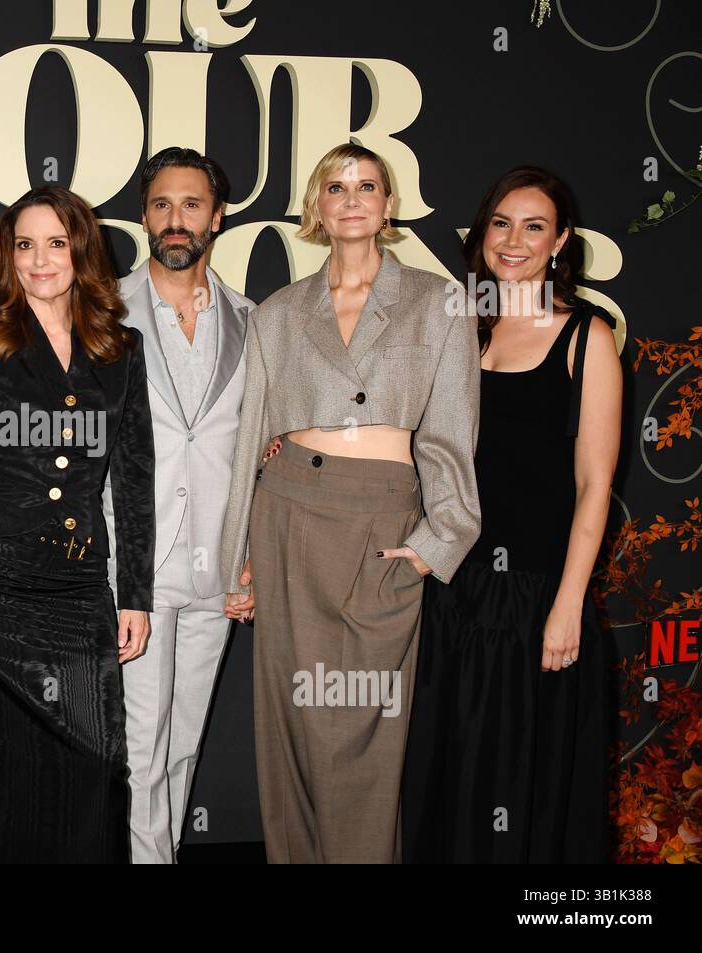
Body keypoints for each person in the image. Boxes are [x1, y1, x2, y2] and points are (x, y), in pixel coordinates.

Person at [220, 142, 481, 863]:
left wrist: (436, 543)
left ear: (389, 205)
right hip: (287, 512)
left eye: (368, 184)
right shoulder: (276, 312)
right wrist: (238, 557)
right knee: (291, 727)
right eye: (337, 185)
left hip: (381, 522)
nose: (354, 196)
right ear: (318, 208)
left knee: (362, 731)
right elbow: (251, 438)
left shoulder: (439, 301)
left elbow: (452, 435)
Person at [0, 185, 155, 863]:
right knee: (0, 776)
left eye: (56, 243)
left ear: (82, 251)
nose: (39, 259)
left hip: (77, 591)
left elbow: (134, 477)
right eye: (24, 244)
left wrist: (135, 591)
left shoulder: (120, 349)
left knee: (92, 767)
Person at [402, 167, 620, 863]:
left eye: (534, 226)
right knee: (447, 776)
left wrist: (567, 605)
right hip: (451, 592)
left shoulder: (587, 337)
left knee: (520, 781)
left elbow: (595, 484)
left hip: (534, 598)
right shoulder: (457, 329)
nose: (515, 239)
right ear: (481, 234)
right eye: (501, 222)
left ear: (560, 241)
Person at [104, 147, 254, 863]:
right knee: (139, 743)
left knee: (183, 741)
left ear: (217, 217)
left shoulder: (252, 321)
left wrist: (248, 557)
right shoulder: (100, 309)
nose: (175, 219)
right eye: (161, 204)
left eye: (192, 204)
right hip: (132, 567)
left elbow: (260, 450)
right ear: (143, 215)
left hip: (216, 571)